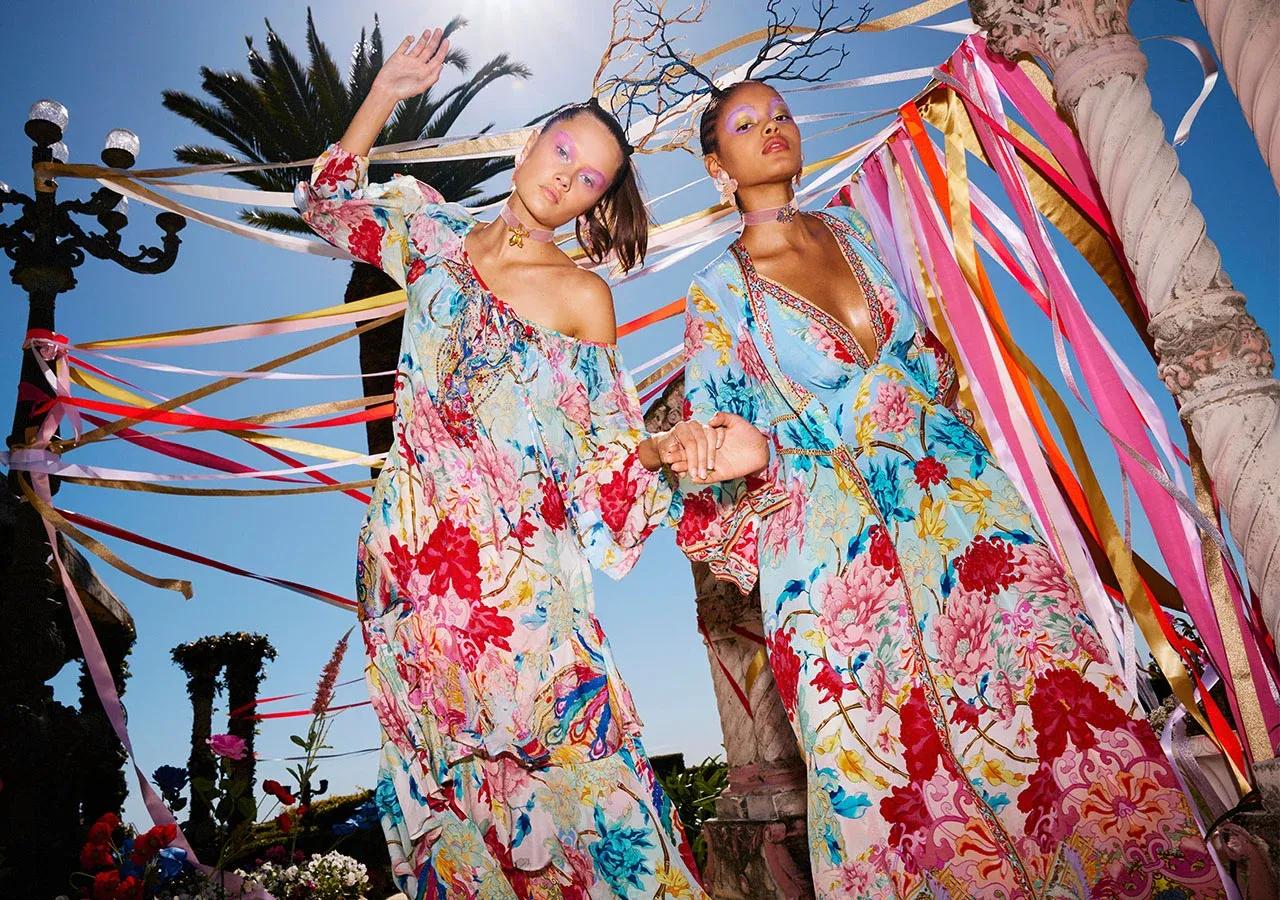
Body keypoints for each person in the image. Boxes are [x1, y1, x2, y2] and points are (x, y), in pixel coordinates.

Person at [666, 78, 1225, 898]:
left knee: (1052, 686)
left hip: (961, 505)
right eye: (747, 125)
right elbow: (723, 438)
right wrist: (715, 446)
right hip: (834, 559)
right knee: (897, 762)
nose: (773, 129)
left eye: (781, 113)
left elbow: (927, 364)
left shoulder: (855, 229)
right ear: (719, 166)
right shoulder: (718, 293)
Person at [296, 27, 767, 897]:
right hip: (408, 580)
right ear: (528, 143)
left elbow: (606, 461)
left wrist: (675, 449)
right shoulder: (430, 230)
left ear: (596, 202)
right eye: (561, 151)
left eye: (589, 178)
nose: (564, 177)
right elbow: (327, 204)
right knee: (451, 811)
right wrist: (386, 94)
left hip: (524, 593)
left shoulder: (585, 298)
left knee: (593, 794)